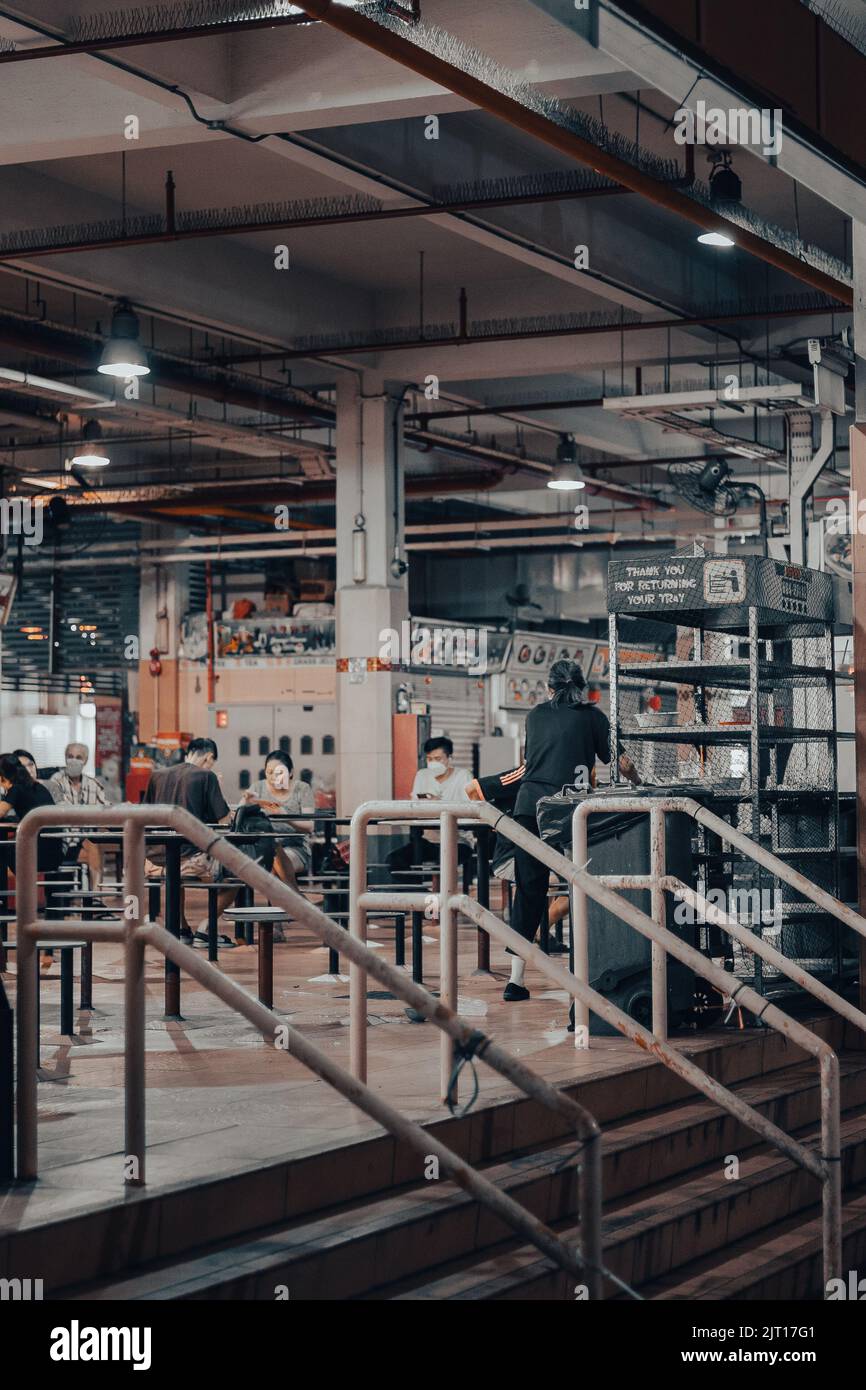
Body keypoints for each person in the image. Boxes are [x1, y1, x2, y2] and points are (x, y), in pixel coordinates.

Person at [465, 660, 639, 1002]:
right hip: (573, 812)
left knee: (530, 892)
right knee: (585, 884)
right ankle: (590, 970)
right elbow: (622, 763)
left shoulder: (535, 715)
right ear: (584, 687)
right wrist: (640, 783)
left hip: (530, 808)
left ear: (548, 688)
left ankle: (515, 982)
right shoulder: (593, 717)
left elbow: (532, 765)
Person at [143, 736, 234, 944]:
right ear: (209, 757)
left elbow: (145, 814)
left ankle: (182, 929)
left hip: (154, 861)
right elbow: (224, 822)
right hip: (191, 862)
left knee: (176, 873)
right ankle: (206, 928)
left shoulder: (157, 775)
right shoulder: (206, 776)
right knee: (238, 877)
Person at [0, 753, 64, 971]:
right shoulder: (38, 787)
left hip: (39, 857)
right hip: (55, 852)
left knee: (2, 851)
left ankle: (7, 899)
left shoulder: (15, 789)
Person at [387, 736, 475, 881]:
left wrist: (440, 803)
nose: (433, 763)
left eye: (438, 758)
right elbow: (414, 806)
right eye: (429, 759)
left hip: (458, 841)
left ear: (449, 758)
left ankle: (442, 898)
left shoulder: (464, 776)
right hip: (428, 841)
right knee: (394, 860)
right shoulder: (422, 776)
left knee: (445, 865)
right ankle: (421, 897)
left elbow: (472, 809)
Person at [242, 750, 315, 892]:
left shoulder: (302, 789)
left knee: (275, 858)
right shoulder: (258, 787)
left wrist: (285, 816)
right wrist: (245, 801)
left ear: (291, 773)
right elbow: (237, 815)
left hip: (296, 849)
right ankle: (298, 905)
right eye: (269, 772)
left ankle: (292, 907)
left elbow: (309, 826)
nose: (272, 777)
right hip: (262, 848)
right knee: (270, 855)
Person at [47, 742, 108, 889]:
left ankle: (92, 896)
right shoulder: (55, 781)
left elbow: (104, 810)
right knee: (92, 847)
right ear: (65, 758)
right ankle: (95, 895)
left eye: (78, 757)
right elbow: (58, 811)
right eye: (70, 756)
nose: (73, 760)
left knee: (93, 843)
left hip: (85, 836)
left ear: (85, 761)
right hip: (63, 839)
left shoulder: (93, 784)